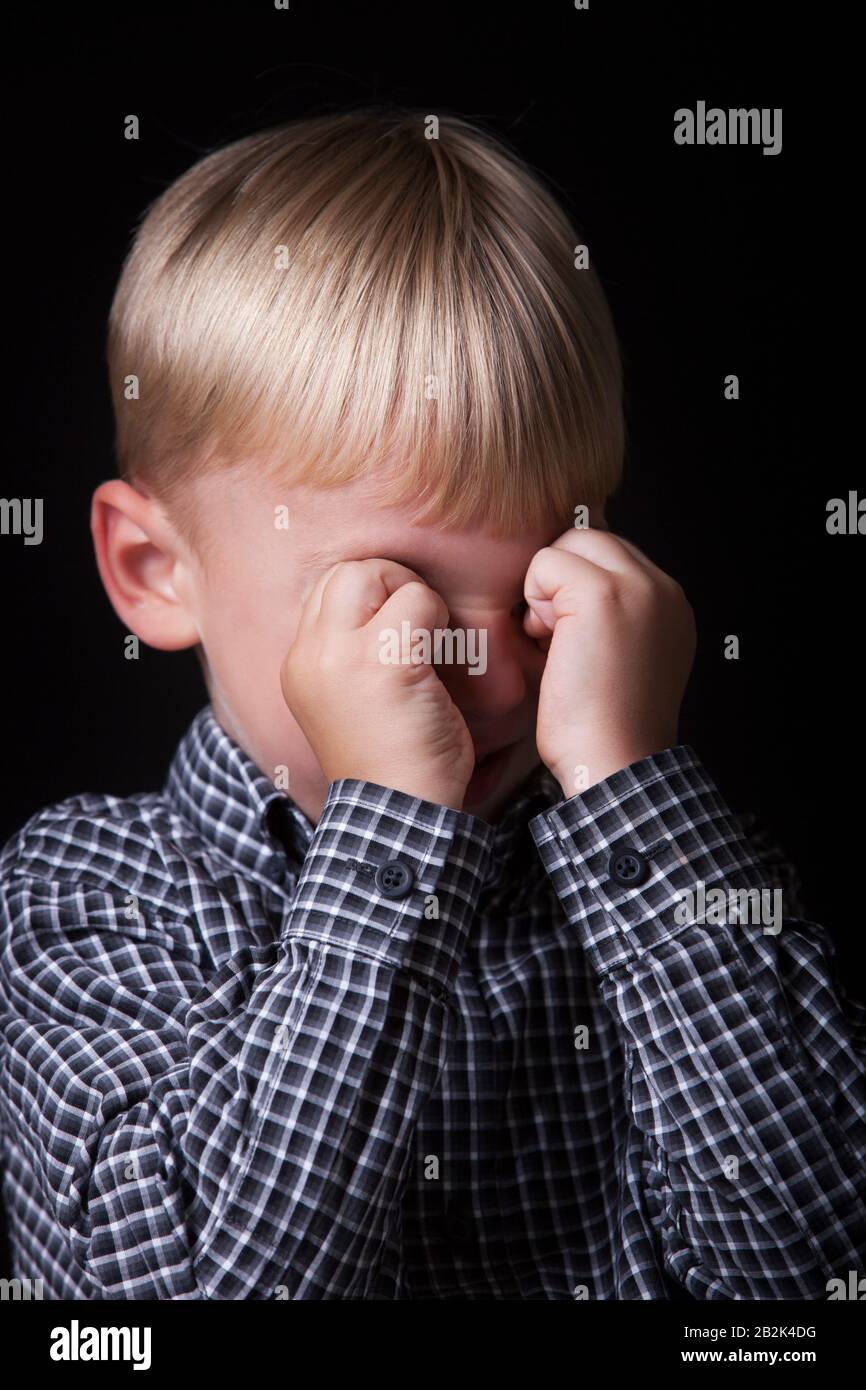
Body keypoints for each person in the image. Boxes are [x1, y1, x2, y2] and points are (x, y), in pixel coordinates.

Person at [1, 108, 863, 1300]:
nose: (504, 681)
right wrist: (393, 830)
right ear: (156, 571)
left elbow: (814, 1280)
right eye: (393, 594)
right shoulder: (85, 897)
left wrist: (636, 794)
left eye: (534, 592)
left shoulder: (667, 875)